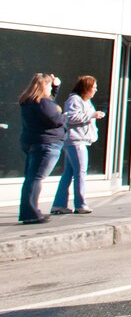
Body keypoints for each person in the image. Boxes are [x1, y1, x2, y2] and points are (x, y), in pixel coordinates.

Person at [51, 75, 105, 215]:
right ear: (85, 88)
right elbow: (70, 117)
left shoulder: (84, 100)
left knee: (68, 173)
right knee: (80, 172)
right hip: (76, 141)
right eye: (93, 88)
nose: (95, 90)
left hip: (77, 140)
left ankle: (59, 204)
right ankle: (80, 204)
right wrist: (92, 115)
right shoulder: (75, 100)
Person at [18, 73, 66, 224]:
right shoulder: (42, 102)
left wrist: (56, 86)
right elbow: (55, 118)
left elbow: (49, 106)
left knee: (31, 178)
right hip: (47, 144)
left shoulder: (29, 101)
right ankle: (31, 213)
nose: (51, 88)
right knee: (36, 178)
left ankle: (28, 212)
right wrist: (65, 116)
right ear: (43, 86)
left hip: (33, 142)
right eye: (49, 85)